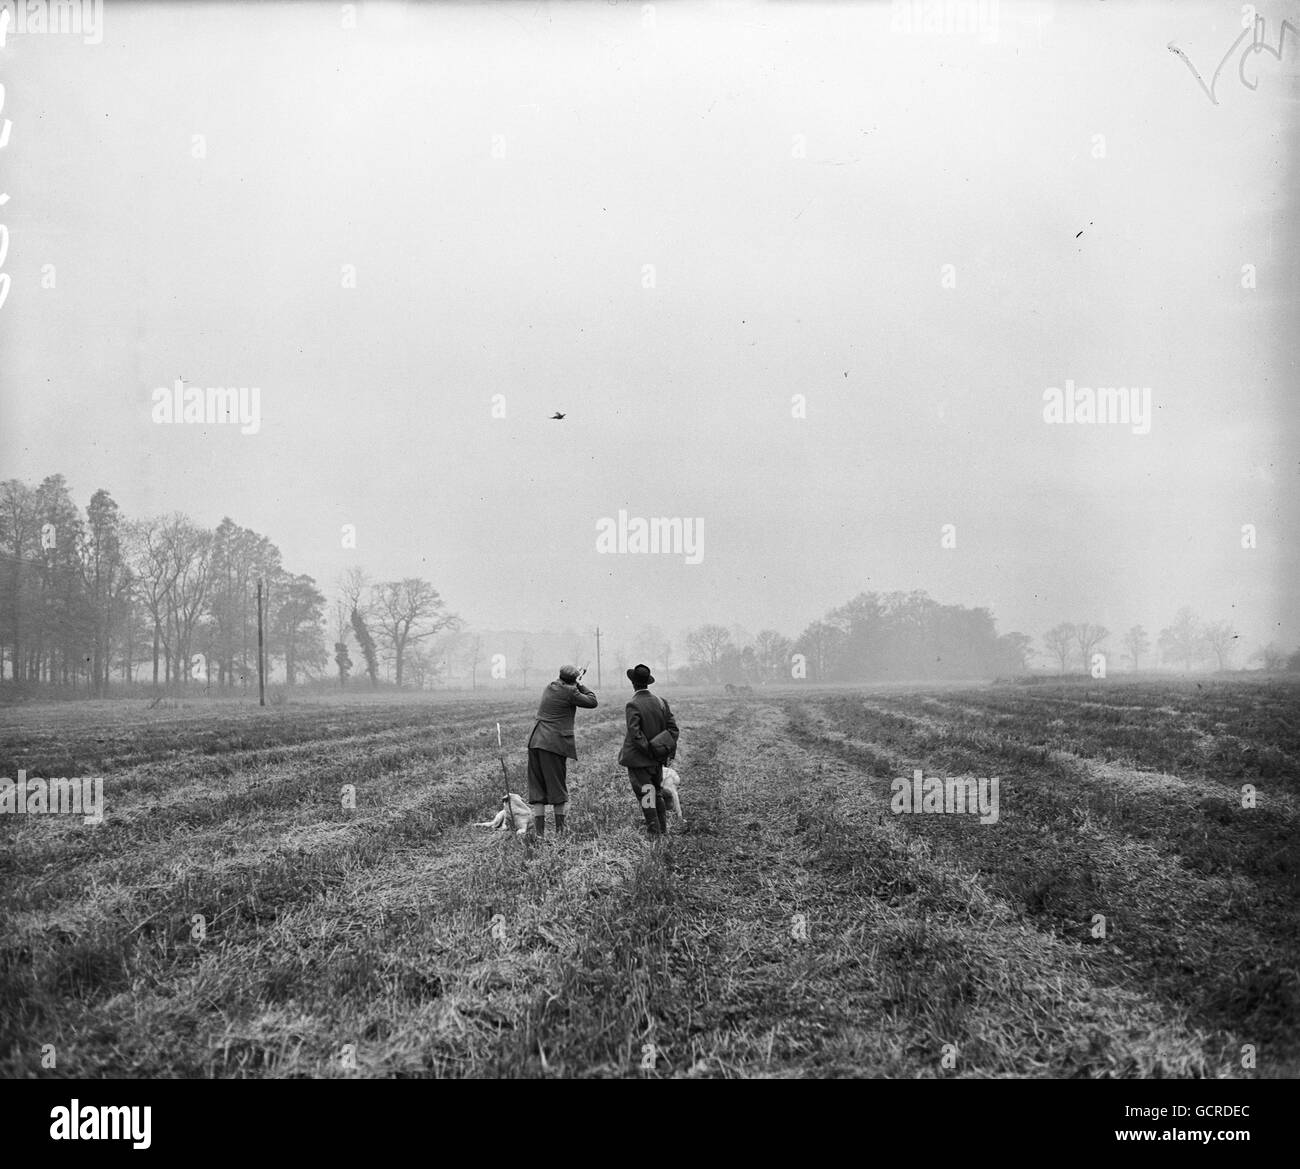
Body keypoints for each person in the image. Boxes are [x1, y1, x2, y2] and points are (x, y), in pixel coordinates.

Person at [526, 664, 597, 838]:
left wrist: (574, 681)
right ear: (573, 681)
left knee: (538, 790)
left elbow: (565, 686)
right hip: (553, 744)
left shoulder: (550, 686)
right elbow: (592, 701)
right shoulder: (571, 692)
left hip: (535, 741)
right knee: (557, 787)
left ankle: (540, 834)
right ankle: (560, 833)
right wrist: (579, 684)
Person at [617, 663, 679, 839]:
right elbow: (673, 730)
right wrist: (662, 751)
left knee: (647, 794)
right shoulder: (661, 702)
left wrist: (649, 751)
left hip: (640, 760)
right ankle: (662, 830)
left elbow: (635, 735)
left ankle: (653, 832)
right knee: (656, 792)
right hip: (657, 761)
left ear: (633, 684)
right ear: (647, 683)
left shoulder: (633, 704)